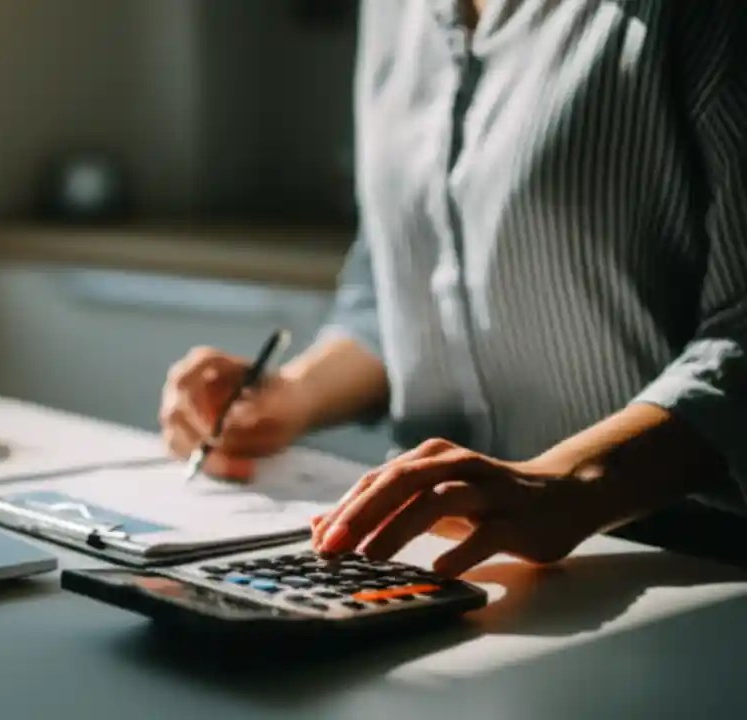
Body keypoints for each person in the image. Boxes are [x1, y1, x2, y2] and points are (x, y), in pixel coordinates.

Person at [160, 0, 747, 578]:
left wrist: (574, 482)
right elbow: (396, 289)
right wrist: (293, 395)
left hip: (678, 569)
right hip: (433, 562)